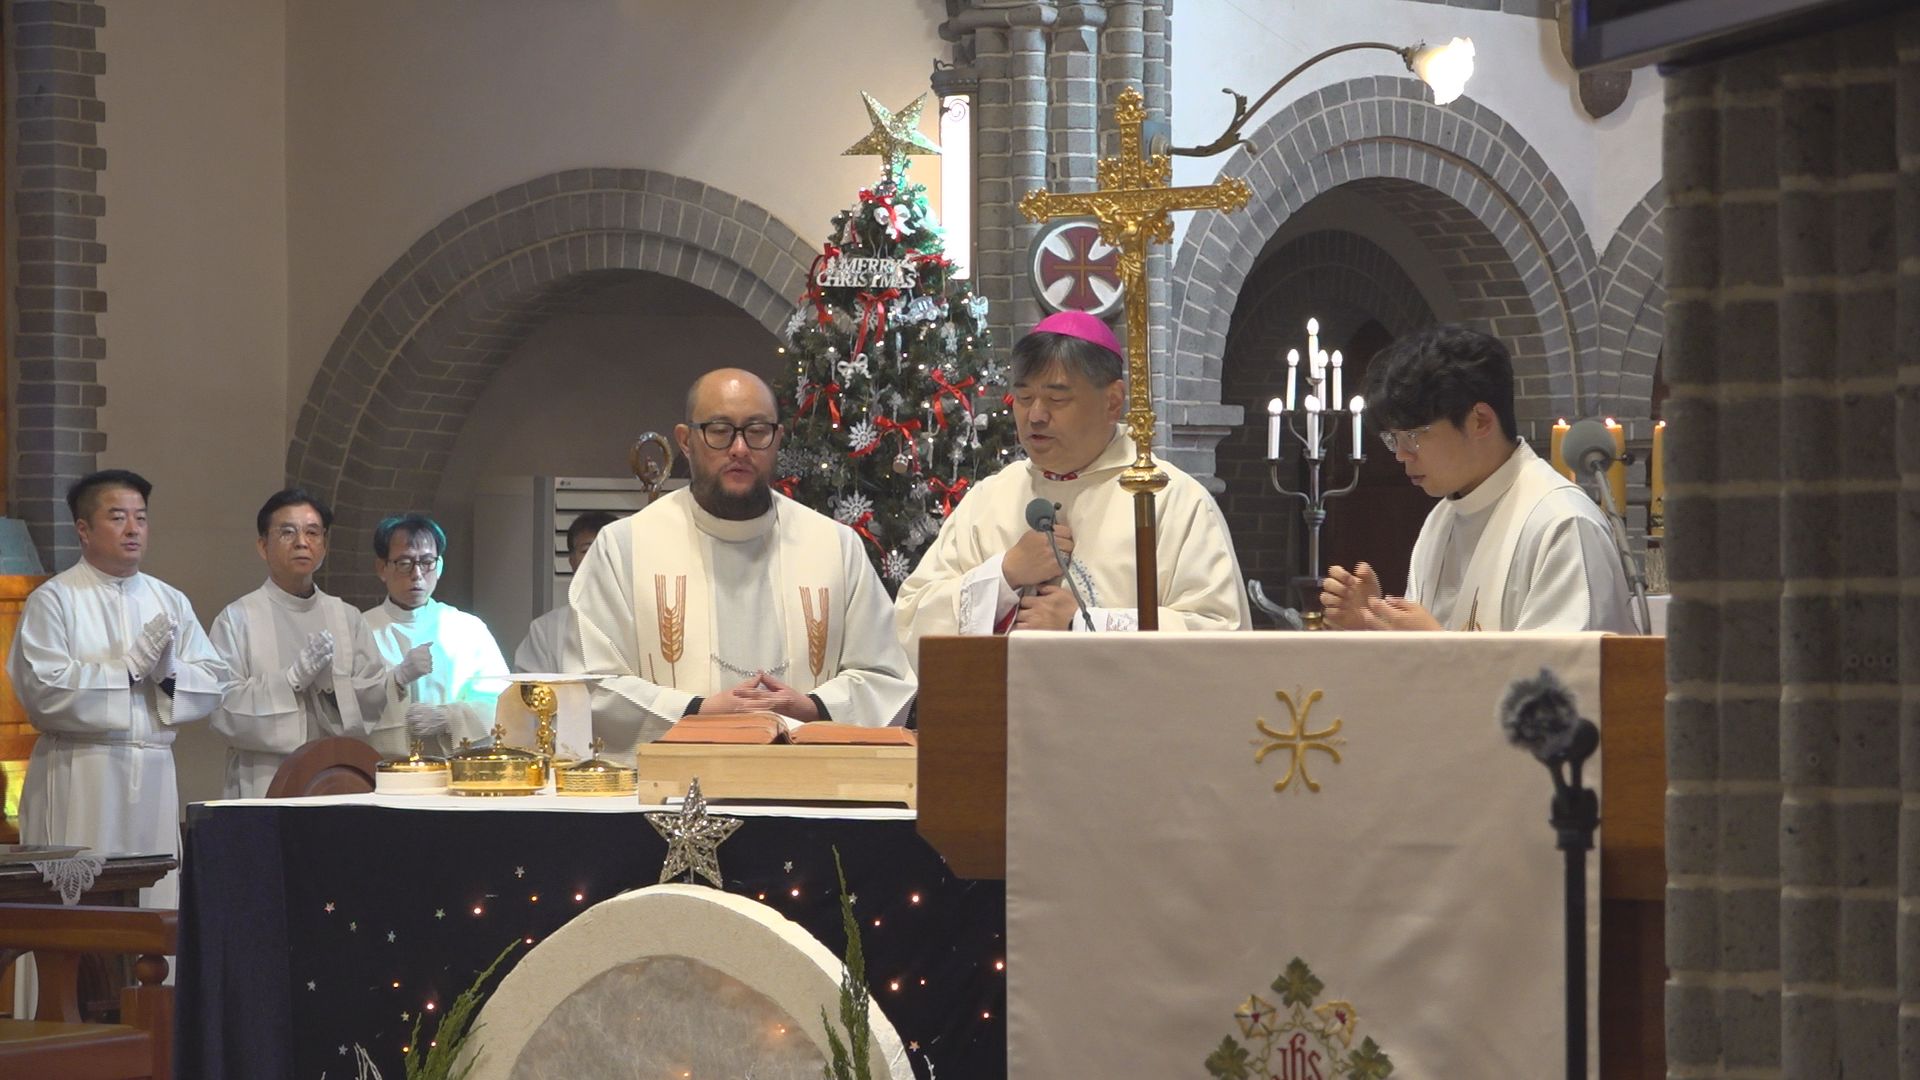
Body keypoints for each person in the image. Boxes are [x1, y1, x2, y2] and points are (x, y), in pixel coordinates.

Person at [567, 368, 916, 753]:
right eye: (719, 430)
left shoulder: (836, 546)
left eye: (757, 430)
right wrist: (696, 712)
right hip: (673, 781)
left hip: (806, 778)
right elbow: (590, 683)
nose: (739, 448)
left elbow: (886, 675)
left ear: (777, 438)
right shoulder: (623, 547)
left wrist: (812, 707)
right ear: (685, 441)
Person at [894, 311, 1250, 658]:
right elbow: (911, 620)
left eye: (1057, 399)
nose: (1035, 415)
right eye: (1024, 398)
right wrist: (1004, 574)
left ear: (1112, 402)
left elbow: (1221, 636)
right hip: (1003, 699)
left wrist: (1080, 624)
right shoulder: (990, 499)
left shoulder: (1169, 499)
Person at [6, 469, 231, 908]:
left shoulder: (170, 600)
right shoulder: (55, 599)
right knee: (81, 911)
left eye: (141, 518)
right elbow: (42, 689)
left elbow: (214, 680)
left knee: (156, 903)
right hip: (82, 770)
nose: (133, 529)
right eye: (117, 517)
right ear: (83, 529)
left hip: (153, 772)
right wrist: (125, 671)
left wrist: (168, 674)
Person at [1320, 324, 1636, 633]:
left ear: (1480, 421)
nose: (1401, 455)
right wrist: (1375, 626)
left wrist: (1435, 648)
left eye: (1413, 436)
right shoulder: (1440, 521)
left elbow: (1566, 667)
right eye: (1393, 439)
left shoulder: (1562, 524)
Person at [206, 490, 402, 797]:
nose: (301, 542)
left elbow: (372, 698)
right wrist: (290, 681)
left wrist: (332, 691)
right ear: (263, 546)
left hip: (335, 775)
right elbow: (221, 708)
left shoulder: (346, 617)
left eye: (312, 532)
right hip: (263, 777)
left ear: (324, 544)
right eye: (287, 532)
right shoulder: (237, 618)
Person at [362, 514, 510, 756]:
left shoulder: (468, 629)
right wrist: (395, 680)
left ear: (439, 566)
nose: (417, 574)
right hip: (383, 767)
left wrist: (449, 718)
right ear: (382, 568)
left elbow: (501, 700)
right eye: (404, 563)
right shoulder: (360, 630)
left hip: (454, 765)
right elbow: (345, 711)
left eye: (426, 562)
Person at [514, 510, 618, 673]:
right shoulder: (545, 629)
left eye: (606, 549)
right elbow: (528, 685)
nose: (596, 557)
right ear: (572, 561)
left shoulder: (643, 623)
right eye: (586, 550)